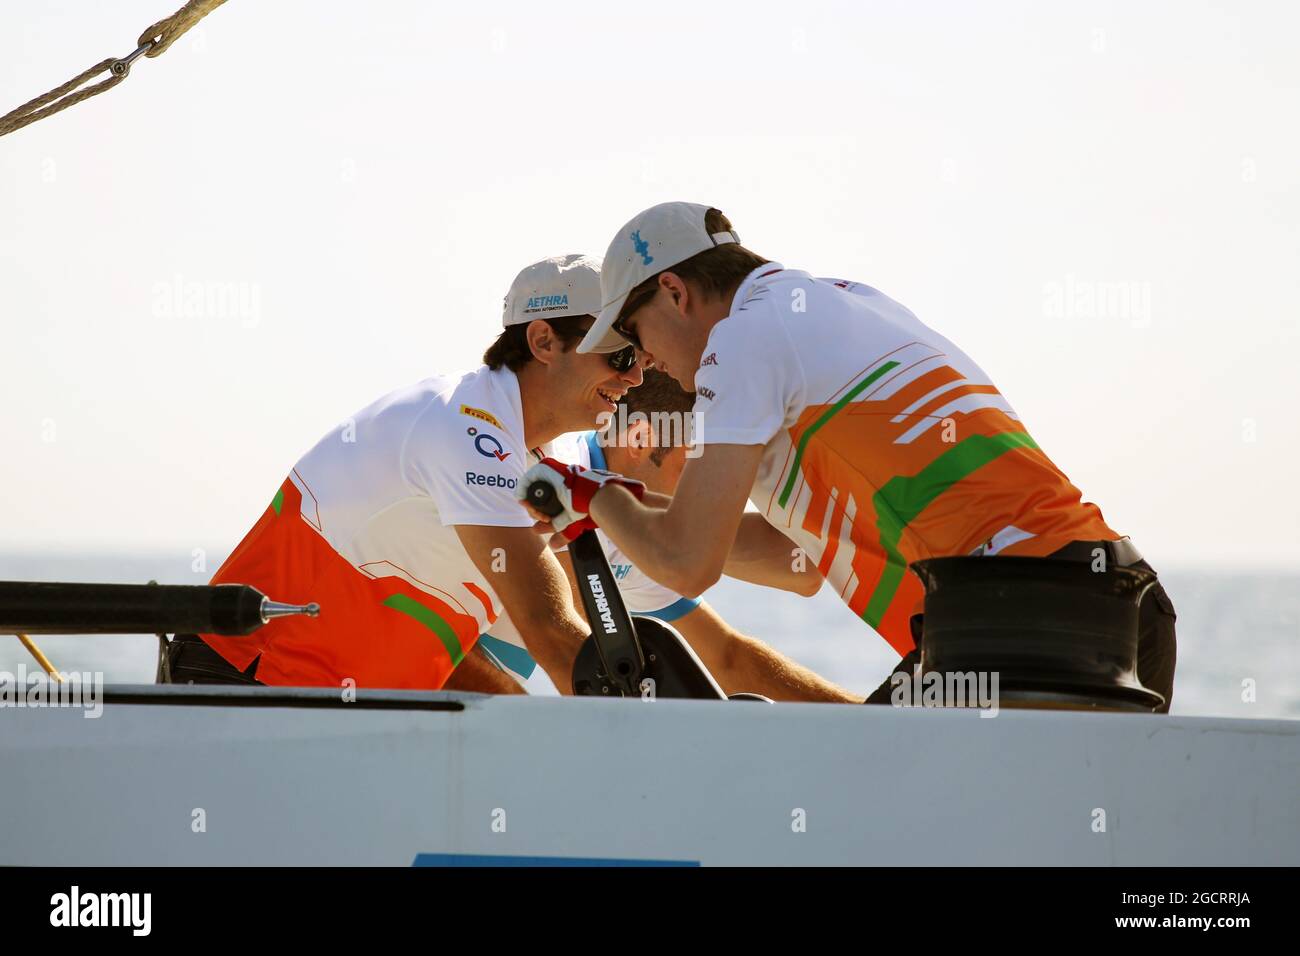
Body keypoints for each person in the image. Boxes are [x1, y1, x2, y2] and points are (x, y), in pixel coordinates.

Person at [520, 202, 1178, 711]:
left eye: (635, 336)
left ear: (675, 292)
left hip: (1024, 623)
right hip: (1122, 606)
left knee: (865, 810)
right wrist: (635, 517)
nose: (644, 367)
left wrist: (592, 495)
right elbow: (799, 557)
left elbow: (688, 564)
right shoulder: (846, 302)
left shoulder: (742, 340)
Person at [164, 254, 644, 693]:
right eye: (620, 354)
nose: (635, 376)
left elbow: (478, 641)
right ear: (543, 341)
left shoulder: (528, 452)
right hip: (242, 675)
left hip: (324, 702)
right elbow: (550, 628)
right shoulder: (465, 425)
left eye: (641, 358)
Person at [488, 367, 859, 702]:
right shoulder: (553, 481)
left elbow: (729, 657)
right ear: (639, 441)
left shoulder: (639, 526)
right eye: (698, 466)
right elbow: (568, 646)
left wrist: (871, 722)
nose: (717, 493)